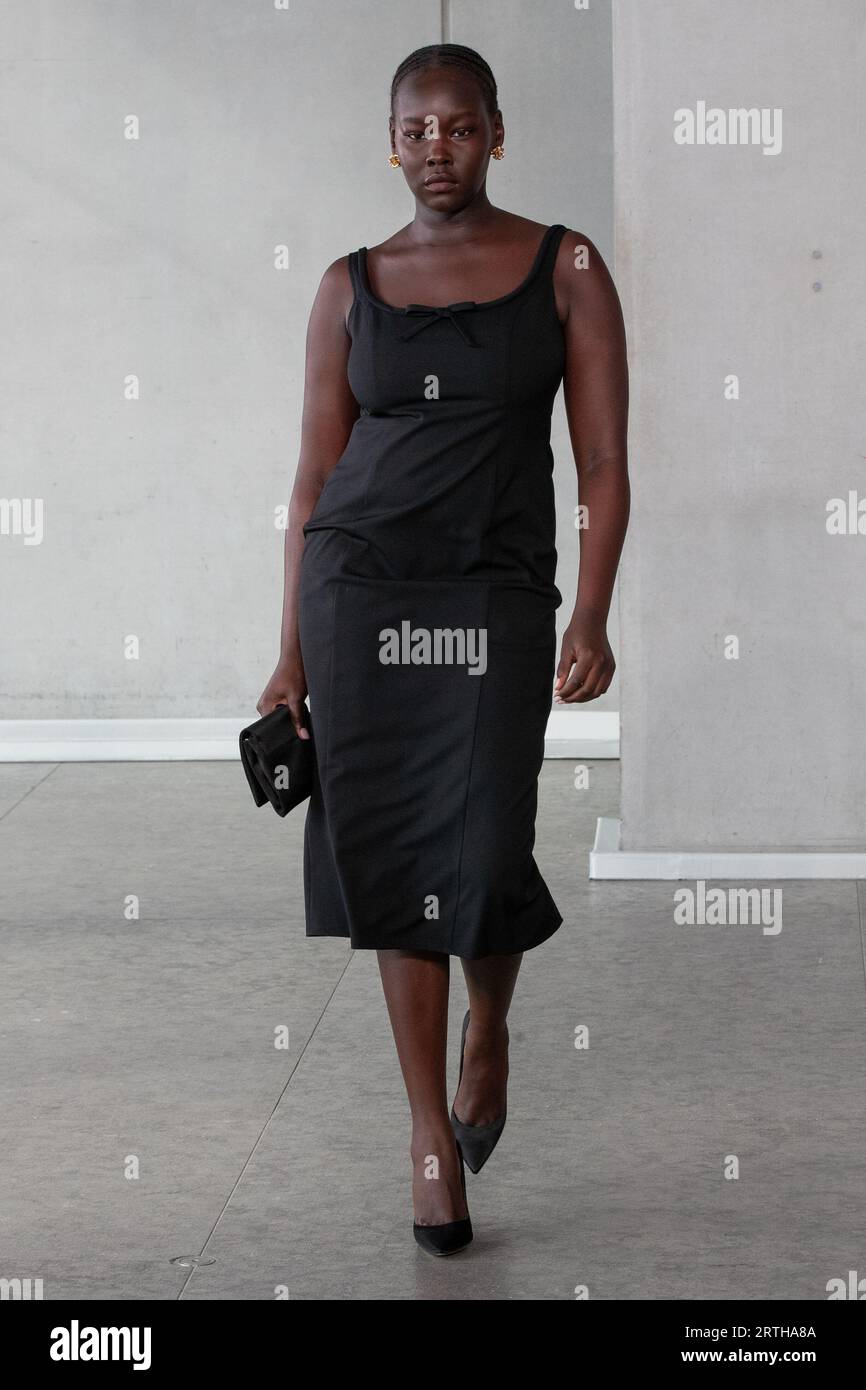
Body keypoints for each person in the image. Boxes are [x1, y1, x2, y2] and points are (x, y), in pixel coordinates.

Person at [257, 43, 629, 1256]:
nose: (435, 151)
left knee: (482, 845)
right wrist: (286, 659)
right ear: (390, 141)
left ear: (497, 134)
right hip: (358, 595)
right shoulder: (346, 284)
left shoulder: (564, 267)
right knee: (389, 860)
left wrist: (590, 612)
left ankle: (491, 1023)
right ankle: (427, 1137)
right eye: (414, 131)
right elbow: (314, 480)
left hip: (495, 597)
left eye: (458, 129)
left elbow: (604, 464)